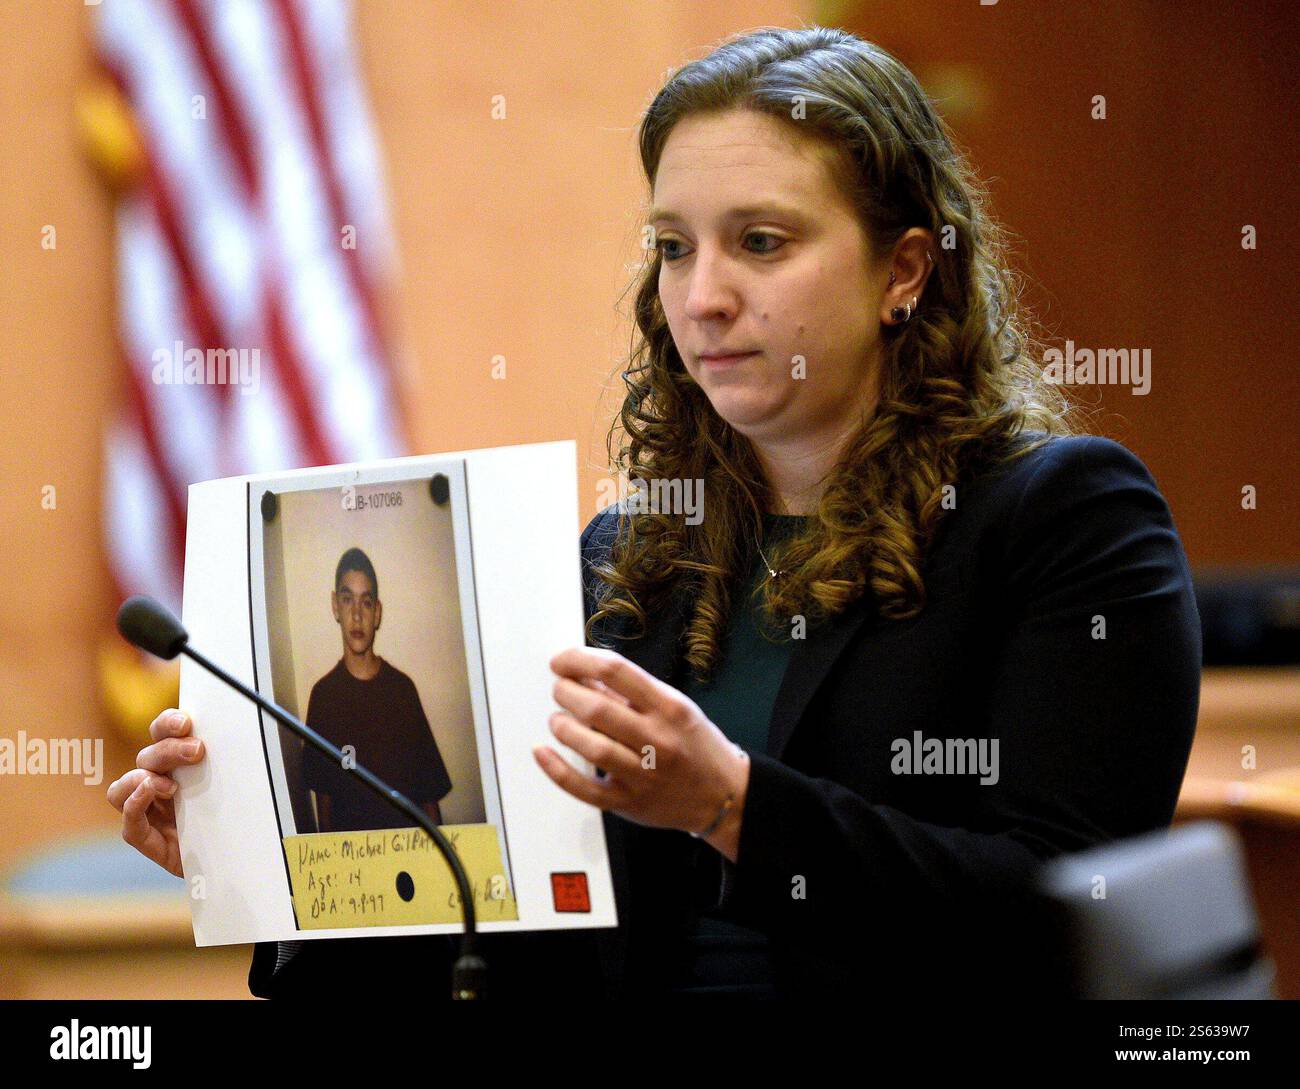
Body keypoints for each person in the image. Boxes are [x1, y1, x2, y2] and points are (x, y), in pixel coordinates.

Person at [109, 26, 1200, 1000]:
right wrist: (274, 869)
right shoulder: (622, 563)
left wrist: (730, 805)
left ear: (902, 269)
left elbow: (1071, 920)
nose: (702, 295)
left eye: (760, 242)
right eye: (675, 246)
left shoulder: (1063, 520)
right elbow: (521, 956)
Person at [301, 547, 453, 833]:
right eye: (348, 600)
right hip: (356, 863)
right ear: (335, 605)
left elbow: (428, 794)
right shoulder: (323, 696)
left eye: (366, 602)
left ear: (378, 612)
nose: (357, 615)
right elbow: (324, 800)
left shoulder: (403, 691)